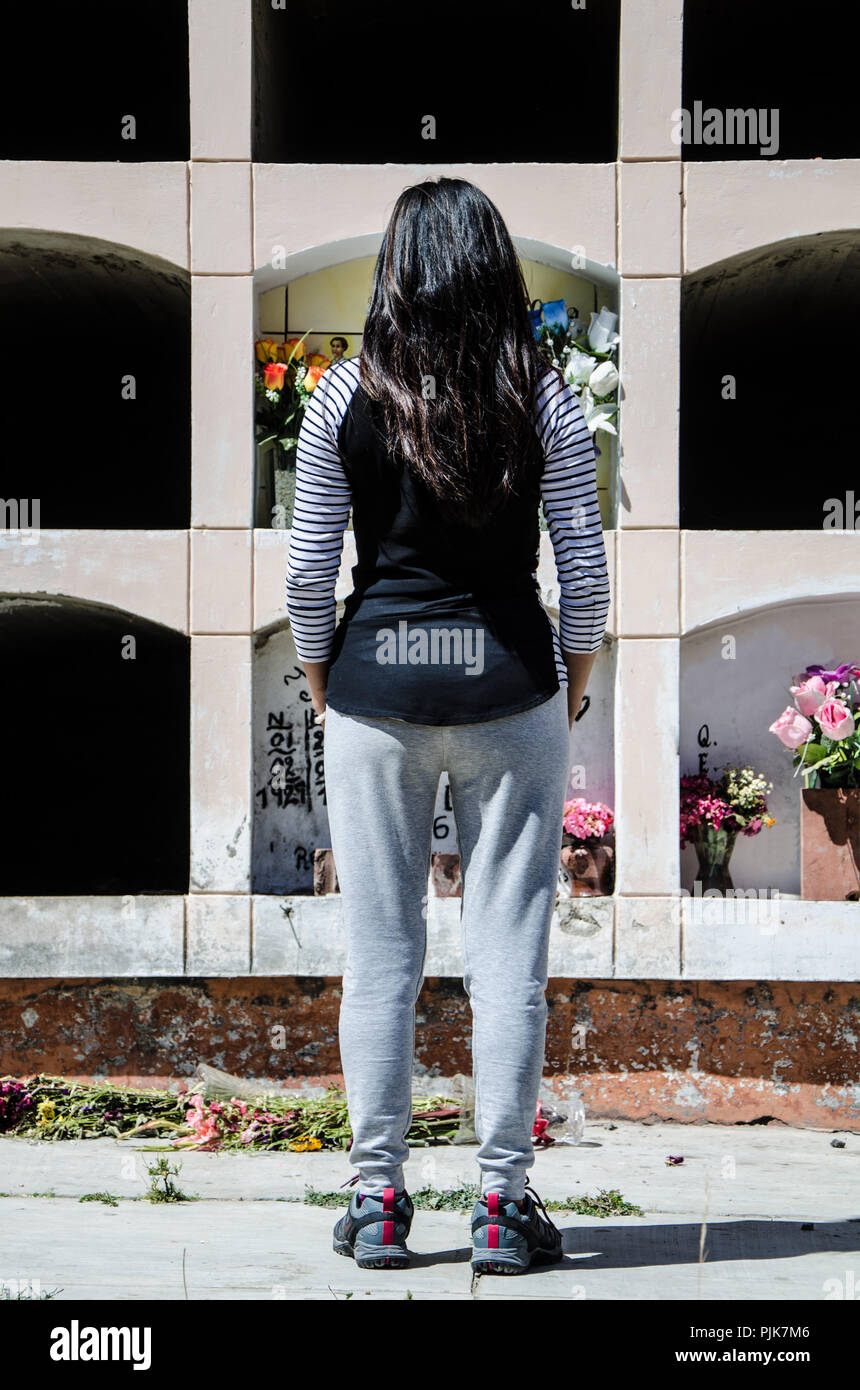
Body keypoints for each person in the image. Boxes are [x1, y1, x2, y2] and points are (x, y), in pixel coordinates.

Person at [285, 176, 611, 1275]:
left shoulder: (341, 396)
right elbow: (583, 563)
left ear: (395, 269)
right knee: (506, 958)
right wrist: (567, 681)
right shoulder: (544, 394)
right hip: (509, 688)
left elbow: (304, 574)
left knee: (379, 957)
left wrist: (329, 685)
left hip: (377, 693)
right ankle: (499, 1209)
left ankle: (376, 1202)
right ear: (491, 268)